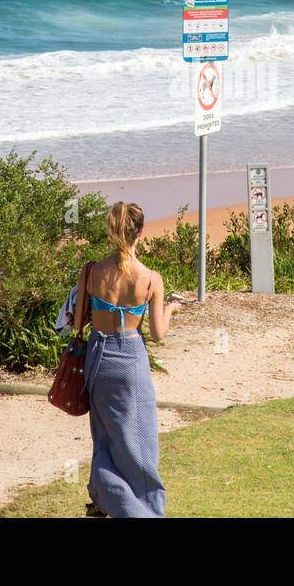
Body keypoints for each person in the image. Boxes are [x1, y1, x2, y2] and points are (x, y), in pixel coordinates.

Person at [80, 202, 180, 518]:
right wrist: (171, 310)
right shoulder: (150, 278)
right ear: (140, 232)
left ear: (111, 231)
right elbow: (159, 333)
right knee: (141, 441)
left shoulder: (93, 271)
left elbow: (77, 322)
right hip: (130, 357)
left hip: (97, 359)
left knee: (106, 436)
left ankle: (103, 499)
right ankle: (145, 510)